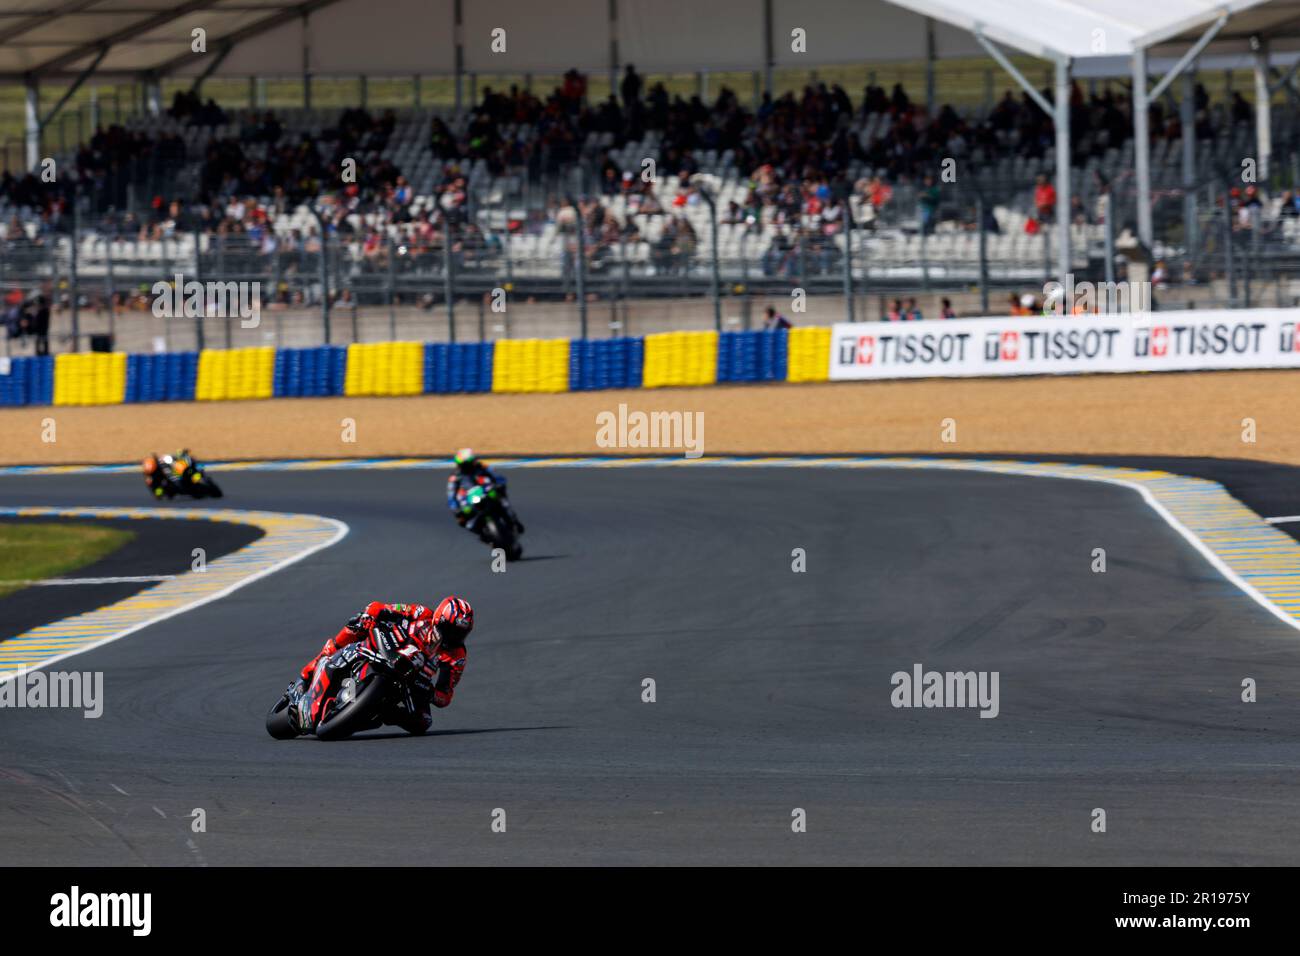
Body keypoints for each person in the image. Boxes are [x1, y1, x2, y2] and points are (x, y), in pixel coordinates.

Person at [297, 597, 473, 734]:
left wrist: (429, 692)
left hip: (413, 679)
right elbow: (382, 607)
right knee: (357, 623)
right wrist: (369, 616)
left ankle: (379, 710)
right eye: (451, 630)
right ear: (438, 620)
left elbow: (445, 696)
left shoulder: (457, 656)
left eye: (460, 633)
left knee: (423, 722)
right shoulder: (422, 613)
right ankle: (322, 658)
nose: (454, 637)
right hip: (388, 647)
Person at [447, 448, 524, 534]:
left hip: (485, 491)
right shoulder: (454, 477)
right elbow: (451, 495)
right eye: (463, 465)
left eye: (467, 464)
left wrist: (499, 484)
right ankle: (482, 534)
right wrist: (456, 510)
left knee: (501, 499)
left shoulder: (482, 467)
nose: (466, 467)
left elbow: (497, 477)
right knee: (463, 520)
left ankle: (513, 520)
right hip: (469, 498)